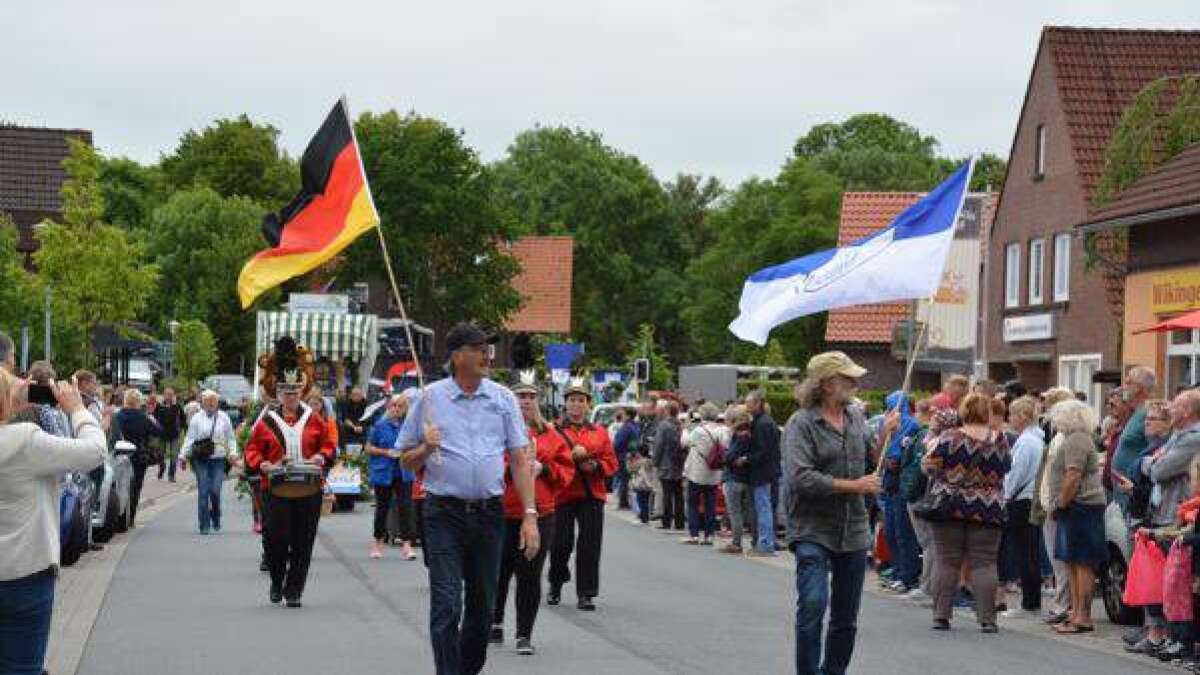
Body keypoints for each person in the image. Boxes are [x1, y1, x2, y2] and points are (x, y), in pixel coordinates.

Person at [396, 323, 540, 675]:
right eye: (479, 348)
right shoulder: (428, 398)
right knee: (447, 604)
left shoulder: (503, 398)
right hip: (443, 513)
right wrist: (426, 447)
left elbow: (520, 459)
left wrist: (530, 515)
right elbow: (405, 460)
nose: (487, 355)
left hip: (489, 514)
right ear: (458, 356)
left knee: (482, 610)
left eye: (487, 347)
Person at [0, 371, 106, 675]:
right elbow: (95, 451)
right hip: (24, 572)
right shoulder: (24, 441)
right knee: (22, 668)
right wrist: (77, 411)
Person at [784, 352, 883, 675]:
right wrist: (855, 486)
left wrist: (886, 436)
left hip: (853, 528)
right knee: (813, 603)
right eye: (847, 378)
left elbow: (873, 462)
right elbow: (801, 478)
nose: (855, 383)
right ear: (826, 384)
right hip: (811, 527)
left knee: (845, 616)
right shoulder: (802, 424)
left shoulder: (855, 417)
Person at [243, 336, 337, 608]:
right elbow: (252, 450)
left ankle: (294, 590)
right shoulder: (266, 421)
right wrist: (262, 464)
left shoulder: (315, 419)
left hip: (308, 488)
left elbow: (329, 444)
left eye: (296, 391)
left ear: (302, 391)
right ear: (279, 393)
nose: (291, 396)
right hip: (275, 488)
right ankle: (276, 579)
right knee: (275, 538)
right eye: (286, 392)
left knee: (303, 540)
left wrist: (321, 456)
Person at [491, 371, 574, 655]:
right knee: (498, 571)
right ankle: (495, 621)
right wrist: (515, 468)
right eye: (520, 396)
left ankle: (524, 634)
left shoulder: (549, 434)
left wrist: (544, 469)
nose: (526, 401)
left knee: (529, 573)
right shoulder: (498, 429)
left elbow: (567, 471)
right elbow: (487, 465)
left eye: (530, 396)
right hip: (503, 512)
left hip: (540, 514)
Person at [922, 393, 1011, 633]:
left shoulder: (950, 438)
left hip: (949, 507)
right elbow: (1006, 468)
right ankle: (987, 620)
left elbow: (930, 465)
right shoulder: (1000, 440)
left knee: (947, 561)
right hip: (989, 508)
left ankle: (941, 616)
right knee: (985, 564)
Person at [548, 377, 617, 610]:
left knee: (589, 545)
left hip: (591, 493)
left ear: (588, 404)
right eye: (572, 400)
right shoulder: (554, 430)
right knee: (559, 544)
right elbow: (548, 458)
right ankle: (555, 583)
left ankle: (586, 593)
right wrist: (571, 459)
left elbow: (612, 463)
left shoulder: (599, 432)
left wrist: (594, 465)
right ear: (565, 404)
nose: (576, 405)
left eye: (581, 400)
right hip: (562, 494)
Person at [1042, 399, 1106, 634]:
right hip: (1078, 507)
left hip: (1081, 506)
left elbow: (1073, 475)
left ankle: (1083, 617)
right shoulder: (1075, 438)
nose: (1054, 420)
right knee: (1073, 562)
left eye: (1057, 416)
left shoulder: (1077, 439)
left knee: (1082, 562)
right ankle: (1076, 613)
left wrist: (1060, 502)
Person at [1029, 386, 1076, 624]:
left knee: (1060, 559)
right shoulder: (1057, 437)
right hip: (1050, 503)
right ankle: (1063, 602)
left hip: (1055, 505)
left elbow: (1060, 474)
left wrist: (1053, 503)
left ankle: (1062, 604)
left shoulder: (1063, 438)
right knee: (1057, 558)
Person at [999, 396, 1045, 618]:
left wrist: (1005, 495)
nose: (1009, 418)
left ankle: (1030, 603)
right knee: (1030, 552)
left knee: (1025, 553)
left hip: (1022, 501)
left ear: (1022, 417)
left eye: (1013, 414)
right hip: (1029, 499)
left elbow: (1015, 472)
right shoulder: (1035, 439)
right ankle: (1031, 601)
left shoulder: (1026, 442)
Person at [879, 391, 923, 593]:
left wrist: (896, 459)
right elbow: (880, 451)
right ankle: (897, 570)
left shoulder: (912, 426)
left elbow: (907, 453)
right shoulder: (886, 424)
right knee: (890, 531)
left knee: (904, 532)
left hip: (901, 484)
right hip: (888, 484)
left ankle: (908, 575)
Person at [366, 393, 417, 560]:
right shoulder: (380, 425)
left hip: (403, 471)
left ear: (405, 409)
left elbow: (416, 446)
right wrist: (386, 452)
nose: (396, 409)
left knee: (406, 508)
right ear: (388, 408)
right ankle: (378, 542)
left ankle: (407, 545)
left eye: (399, 406)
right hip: (384, 471)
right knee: (382, 507)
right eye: (393, 405)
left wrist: (406, 452)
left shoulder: (409, 426)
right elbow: (368, 448)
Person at [180, 390, 238, 535]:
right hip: (200, 459)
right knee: (204, 490)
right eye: (208, 401)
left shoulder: (224, 418)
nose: (211, 403)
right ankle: (204, 524)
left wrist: (233, 453)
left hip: (218, 459)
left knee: (215, 491)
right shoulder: (196, 419)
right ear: (203, 403)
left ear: (217, 403)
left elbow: (231, 438)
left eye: (213, 401)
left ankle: (216, 515)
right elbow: (189, 438)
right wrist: (182, 456)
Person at [114, 388, 166, 527]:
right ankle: (130, 519)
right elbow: (159, 432)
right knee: (136, 487)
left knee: (120, 486)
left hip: (120, 455)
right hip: (139, 456)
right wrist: (153, 419)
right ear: (138, 401)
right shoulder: (142, 417)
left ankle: (119, 518)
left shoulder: (118, 416)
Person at [1112, 366, 1157, 516]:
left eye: (1128, 382)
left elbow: (1155, 450)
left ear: (1139, 388)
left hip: (1134, 495)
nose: (1123, 386)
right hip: (1123, 493)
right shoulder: (1136, 413)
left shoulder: (1147, 414)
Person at [682, 402, 728, 545]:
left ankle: (694, 535)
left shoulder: (698, 431)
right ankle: (709, 535)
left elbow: (684, 442)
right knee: (710, 505)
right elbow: (726, 446)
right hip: (714, 473)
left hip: (696, 472)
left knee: (693, 503)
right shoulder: (721, 431)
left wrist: (686, 427)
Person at [743, 389, 781, 556]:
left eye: (749, 403)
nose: (747, 407)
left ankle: (765, 543)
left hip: (762, 473)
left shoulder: (763, 424)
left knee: (763, 507)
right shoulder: (764, 422)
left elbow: (763, 451)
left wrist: (746, 459)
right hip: (767, 472)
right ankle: (765, 542)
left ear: (758, 403)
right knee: (764, 507)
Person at [652, 399, 685, 531]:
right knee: (678, 494)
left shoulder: (664, 425)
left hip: (666, 464)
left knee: (667, 494)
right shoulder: (680, 425)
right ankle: (679, 522)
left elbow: (659, 445)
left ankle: (666, 521)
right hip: (679, 463)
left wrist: (656, 461)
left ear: (667, 411)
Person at [611, 406, 640, 510]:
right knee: (628, 479)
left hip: (623, 455)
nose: (621, 416)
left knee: (624, 479)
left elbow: (618, 443)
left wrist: (613, 448)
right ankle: (626, 501)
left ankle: (623, 502)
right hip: (632, 455)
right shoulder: (636, 426)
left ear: (628, 415)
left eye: (623, 414)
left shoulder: (626, 427)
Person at [155, 388, 186, 482]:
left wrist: (181, 428)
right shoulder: (159, 406)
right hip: (162, 434)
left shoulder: (177, 406)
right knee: (160, 455)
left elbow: (183, 419)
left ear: (173, 396)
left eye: (170, 395)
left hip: (174, 434)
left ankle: (171, 475)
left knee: (174, 455)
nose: (168, 396)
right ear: (164, 395)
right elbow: (154, 417)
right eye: (167, 394)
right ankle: (162, 467)